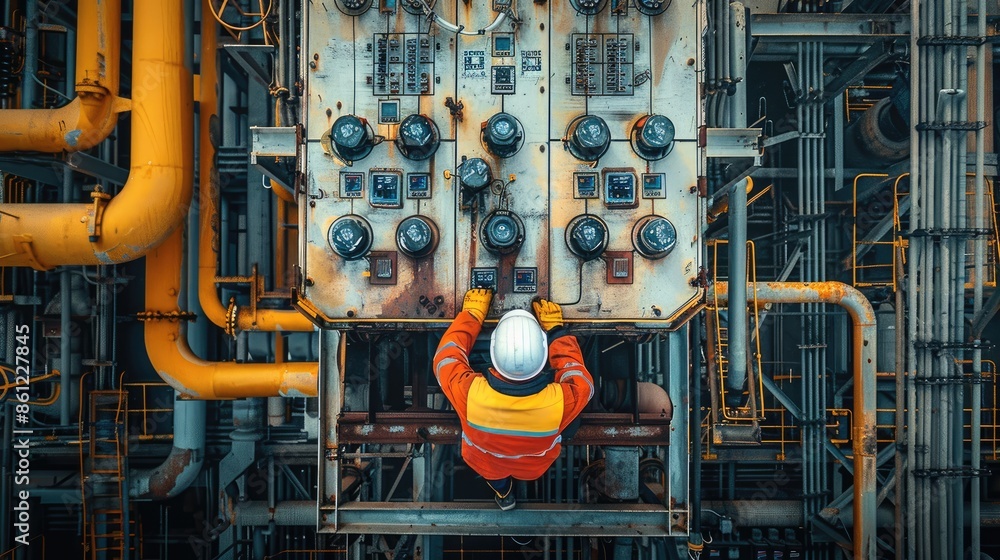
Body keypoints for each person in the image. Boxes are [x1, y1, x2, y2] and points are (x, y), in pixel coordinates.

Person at [432, 288, 594, 510]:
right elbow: (579, 377)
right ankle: (505, 490)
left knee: (495, 476)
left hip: (486, 462)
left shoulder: (470, 393)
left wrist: (472, 315)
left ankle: (504, 493)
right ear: (543, 351)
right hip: (534, 466)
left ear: (493, 349)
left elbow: (446, 356)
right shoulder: (561, 401)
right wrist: (556, 329)